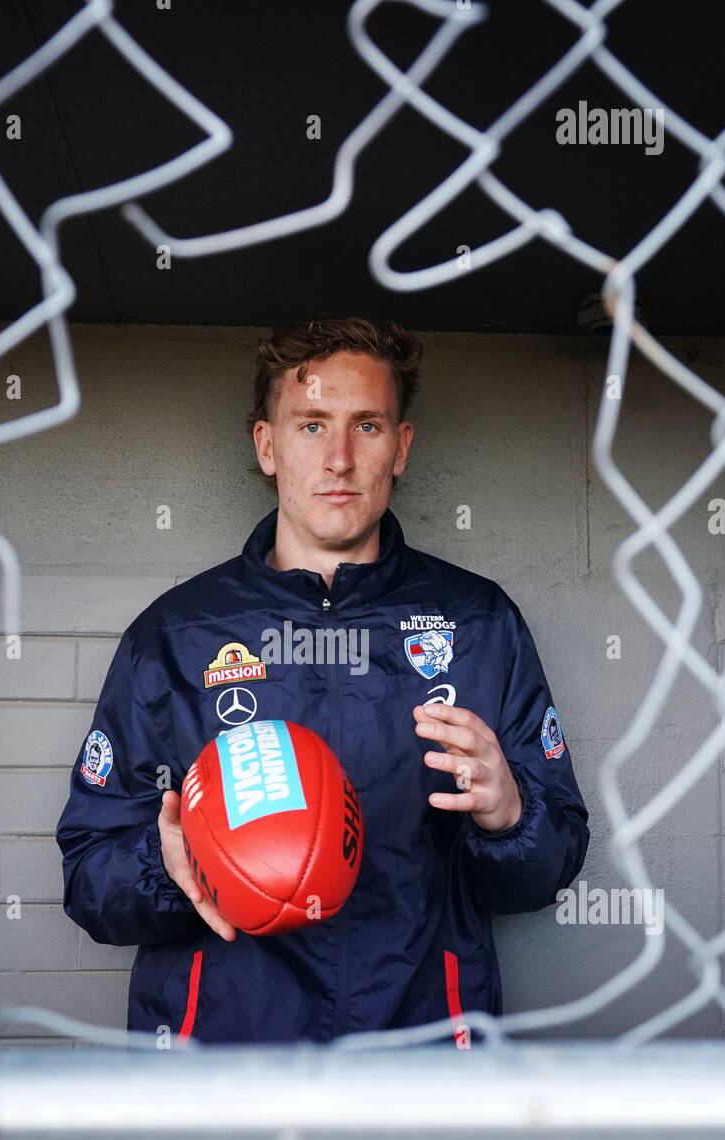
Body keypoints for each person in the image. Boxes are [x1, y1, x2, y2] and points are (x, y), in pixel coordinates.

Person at [56, 316, 590, 1045]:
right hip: (225, 1071)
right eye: (311, 426)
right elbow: (89, 878)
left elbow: (549, 868)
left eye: (366, 425)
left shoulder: (477, 623)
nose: (339, 458)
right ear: (267, 446)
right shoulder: (176, 636)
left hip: (423, 1059)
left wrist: (510, 816)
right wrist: (166, 862)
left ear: (400, 447)